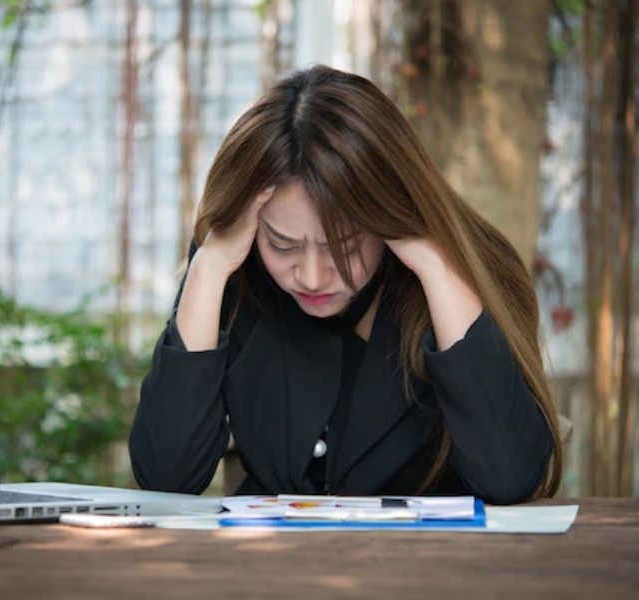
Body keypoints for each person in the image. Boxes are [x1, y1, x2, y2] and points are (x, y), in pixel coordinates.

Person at [129, 64, 562, 505]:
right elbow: (168, 478)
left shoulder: (464, 268)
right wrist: (207, 268)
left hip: (431, 562)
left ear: (388, 218)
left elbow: (511, 476)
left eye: (345, 247)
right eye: (283, 245)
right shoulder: (229, 270)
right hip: (269, 563)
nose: (313, 276)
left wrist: (436, 268)